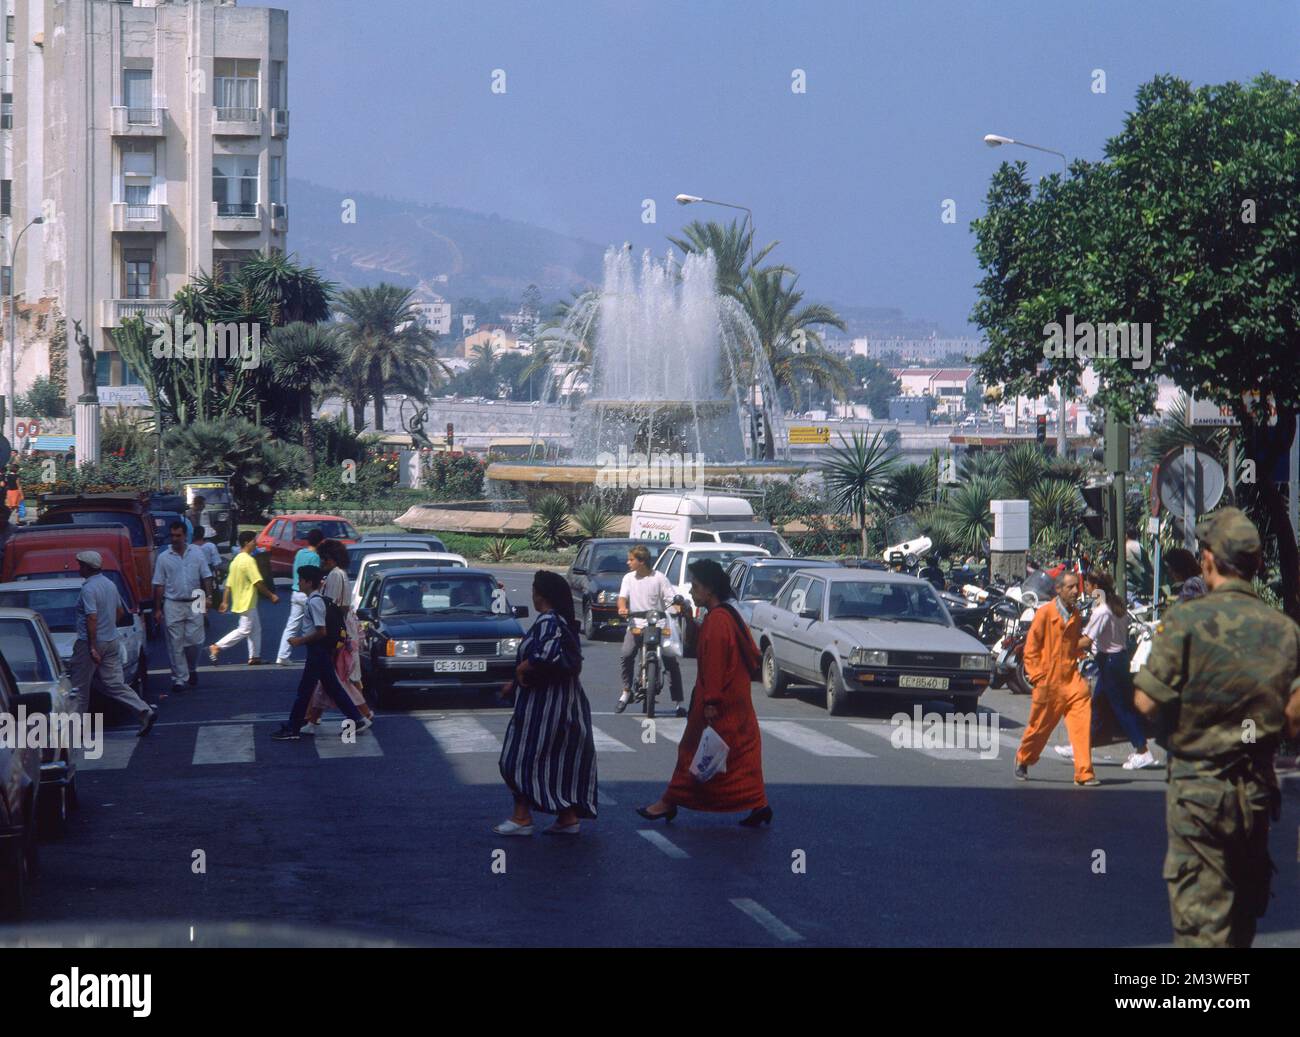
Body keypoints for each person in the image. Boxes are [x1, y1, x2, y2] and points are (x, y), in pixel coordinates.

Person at [1134, 507, 1300, 947]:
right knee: (1241, 925)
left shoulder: (1186, 622)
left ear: (1208, 559)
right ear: (1257, 564)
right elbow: (1294, 717)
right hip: (1256, 796)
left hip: (1199, 793)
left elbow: (1146, 701)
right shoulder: (1285, 631)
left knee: (1201, 932)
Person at [637, 559, 771, 827]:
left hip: (718, 701)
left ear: (709, 590)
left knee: (691, 751)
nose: (692, 590)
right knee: (741, 755)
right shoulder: (725, 616)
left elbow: (713, 664)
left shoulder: (718, 621)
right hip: (737, 701)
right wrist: (688, 617)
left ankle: (670, 800)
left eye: (695, 586)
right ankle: (758, 803)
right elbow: (702, 645)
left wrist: (710, 702)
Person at [495, 569, 597, 836]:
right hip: (567, 703)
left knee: (517, 757)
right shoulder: (561, 620)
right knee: (558, 759)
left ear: (540, 595)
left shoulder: (548, 621)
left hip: (545, 705)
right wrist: (514, 683)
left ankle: (521, 817)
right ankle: (567, 817)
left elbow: (545, 656)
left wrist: (521, 670)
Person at [1014, 570, 1099, 786]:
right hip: (1048, 682)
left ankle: (1084, 773)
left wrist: (1084, 646)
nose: (1075, 591)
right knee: (1039, 728)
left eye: (1076, 587)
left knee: (1081, 727)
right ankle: (1024, 758)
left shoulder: (1076, 615)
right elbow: (1031, 648)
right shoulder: (1045, 613)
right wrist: (1037, 677)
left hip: (1071, 680)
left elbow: (1070, 646)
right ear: (1058, 590)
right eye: (1070, 587)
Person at [270, 565, 371, 741]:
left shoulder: (314, 602)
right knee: (333, 688)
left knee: (305, 690)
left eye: (301, 580)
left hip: (317, 650)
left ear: (309, 582)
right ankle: (357, 719)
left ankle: (293, 728)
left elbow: (321, 631)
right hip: (320, 651)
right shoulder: (317, 600)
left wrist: (298, 641)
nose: (298, 583)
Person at [1073, 570, 1156, 770]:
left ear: (1095, 587)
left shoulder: (1102, 611)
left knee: (1121, 708)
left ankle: (1143, 751)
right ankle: (1081, 746)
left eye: (1089, 585)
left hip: (1110, 661)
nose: (1087, 589)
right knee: (1097, 707)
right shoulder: (1117, 605)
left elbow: (1087, 640)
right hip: (1116, 660)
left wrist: (1062, 643)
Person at [71, 551, 157, 736]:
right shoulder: (109, 585)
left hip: (89, 643)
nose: (79, 569)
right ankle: (144, 710)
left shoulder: (88, 589)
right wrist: (107, 627)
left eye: (80, 565)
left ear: (87, 567)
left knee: (79, 688)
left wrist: (93, 645)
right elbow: (119, 612)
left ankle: (74, 731)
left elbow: (91, 617)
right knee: (114, 684)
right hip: (111, 640)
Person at [300, 539, 374, 733]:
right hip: (343, 632)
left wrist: (330, 639)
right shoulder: (338, 574)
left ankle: (362, 714)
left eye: (323, 559)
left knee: (337, 679)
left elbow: (332, 609)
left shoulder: (334, 576)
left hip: (338, 634)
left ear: (331, 559)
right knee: (331, 680)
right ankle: (312, 719)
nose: (321, 563)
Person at [614, 544, 685, 717]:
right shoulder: (628, 579)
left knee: (670, 661)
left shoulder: (660, 578)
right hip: (636, 624)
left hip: (658, 625)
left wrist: (677, 606)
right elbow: (622, 599)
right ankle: (626, 692)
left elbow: (670, 598)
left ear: (642, 561)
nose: (628, 562)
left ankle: (678, 703)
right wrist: (622, 609)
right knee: (626, 654)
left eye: (631, 560)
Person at [152, 520, 213, 696]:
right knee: (175, 643)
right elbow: (158, 584)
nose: (175, 539)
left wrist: (208, 597)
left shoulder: (197, 553)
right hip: (173, 602)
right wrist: (157, 609)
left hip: (196, 599)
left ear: (185, 536)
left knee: (195, 641)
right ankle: (179, 678)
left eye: (178, 535)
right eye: (172, 535)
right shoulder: (164, 557)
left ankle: (192, 668)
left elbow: (206, 576)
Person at [210, 530, 279, 664]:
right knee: (245, 629)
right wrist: (271, 596)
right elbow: (257, 582)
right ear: (247, 543)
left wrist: (225, 601)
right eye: (254, 541)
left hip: (241, 600)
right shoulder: (248, 560)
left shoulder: (236, 560)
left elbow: (228, 584)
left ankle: (255, 657)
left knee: (255, 628)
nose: (255, 544)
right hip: (247, 601)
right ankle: (217, 646)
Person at [276, 528, 324, 666]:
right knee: (315, 627)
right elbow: (315, 576)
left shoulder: (300, 553)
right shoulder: (315, 557)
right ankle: (315, 655)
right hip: (308, 594)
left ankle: (282, 656)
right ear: (320, 542)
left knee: (291, 625)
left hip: (296, 592)